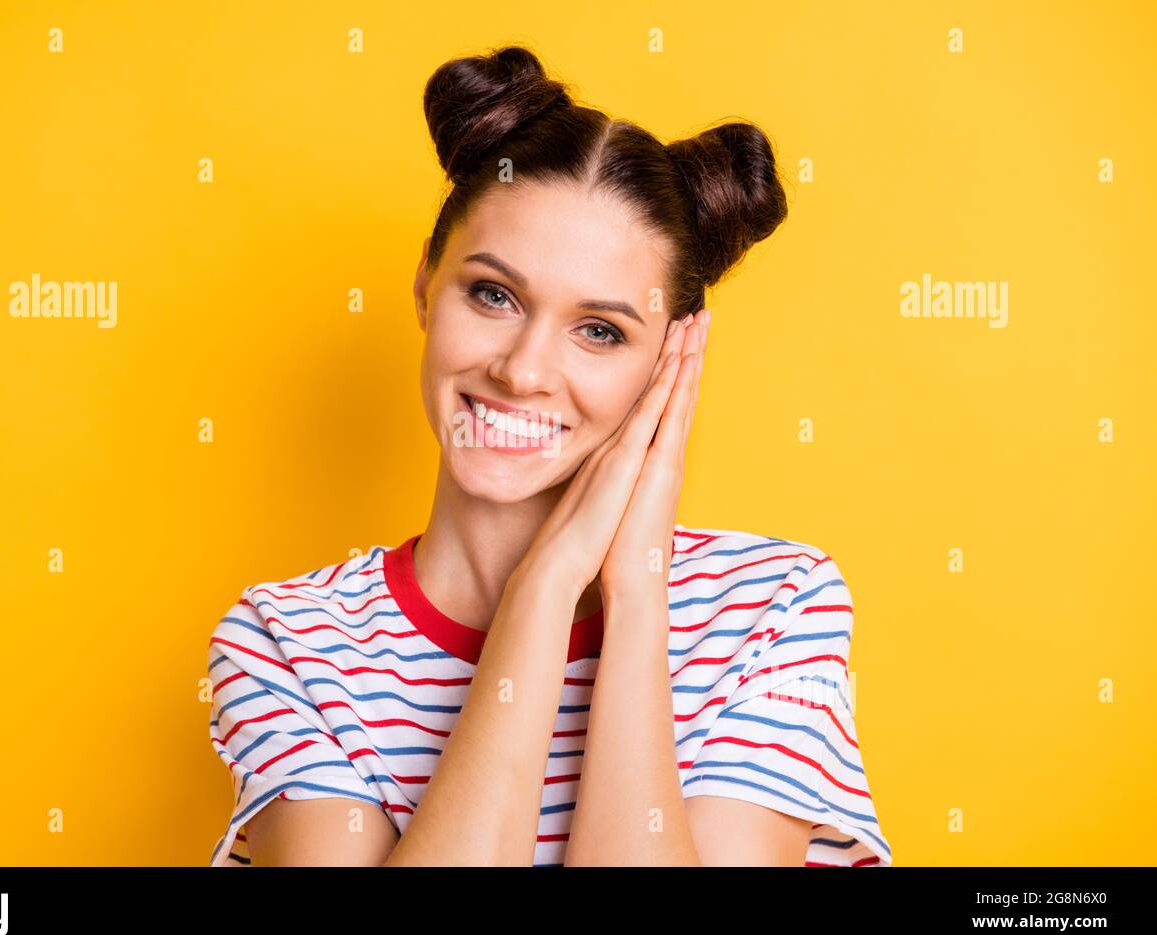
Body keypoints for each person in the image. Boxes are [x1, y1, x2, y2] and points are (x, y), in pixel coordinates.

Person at [206, 45, 891, 867]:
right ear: (426, 283)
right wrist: (544, 588)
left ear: (669, 356)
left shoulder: (773, 612)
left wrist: (634, 597)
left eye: (599, 331)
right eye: (493, 295)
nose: (523, 370)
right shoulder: (288, 642)